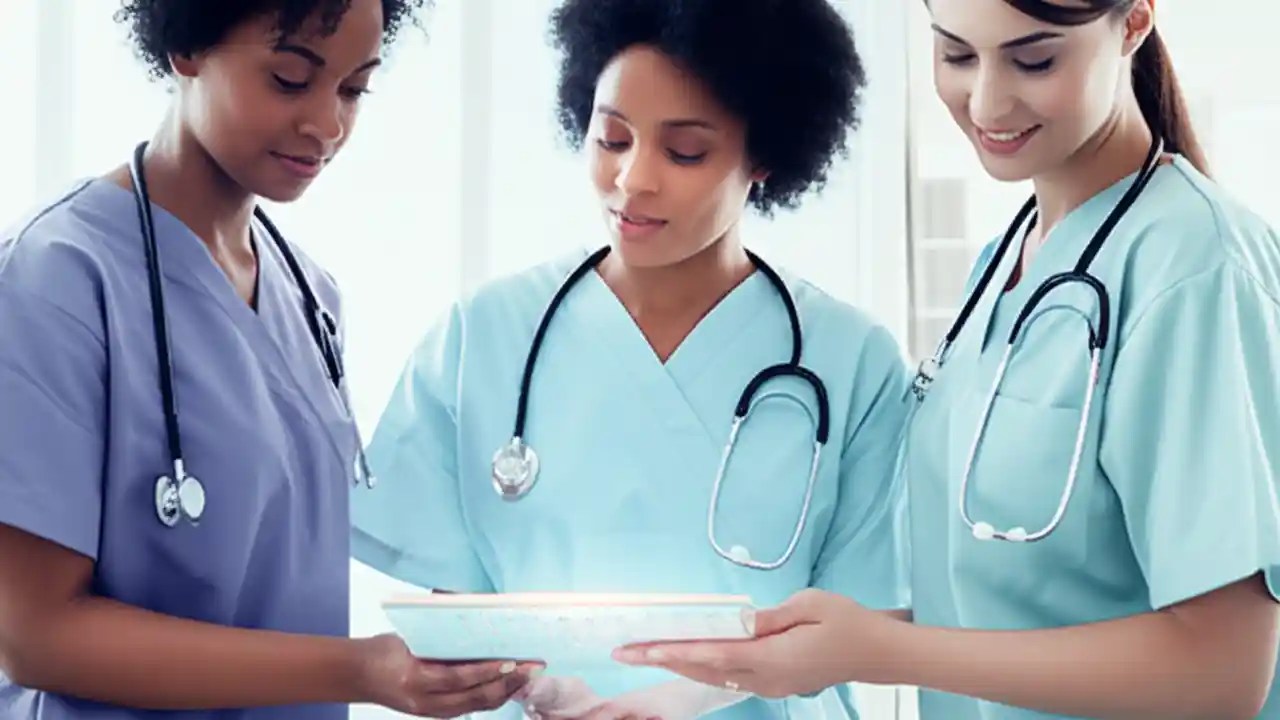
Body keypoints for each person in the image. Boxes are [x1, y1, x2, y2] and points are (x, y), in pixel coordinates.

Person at [614, 0, 1280, 718]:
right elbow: (1003, 612)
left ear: (1134, 23)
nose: (987, 101)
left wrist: (874, 649)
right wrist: (709, 680)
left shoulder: (1193, 268)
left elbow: (1223, 670)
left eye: (1035, 60)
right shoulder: (1007, 263)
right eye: (956, 54)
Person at [350, 1, 911, 719]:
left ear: (766, 154)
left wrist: (681, 699)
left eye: (684, 153)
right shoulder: (481, 337)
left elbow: (853, 624)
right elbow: (454, 613)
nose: (632, 179)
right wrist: (533, 686)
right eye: (611, 138)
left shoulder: (851, 361)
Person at [0, 2, 541, 719]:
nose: (327, 125)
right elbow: (34, 635)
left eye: (353, 90)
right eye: (290, 79)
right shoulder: (56, 279)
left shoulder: (310, 295)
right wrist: (359, 669)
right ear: (186, 47)